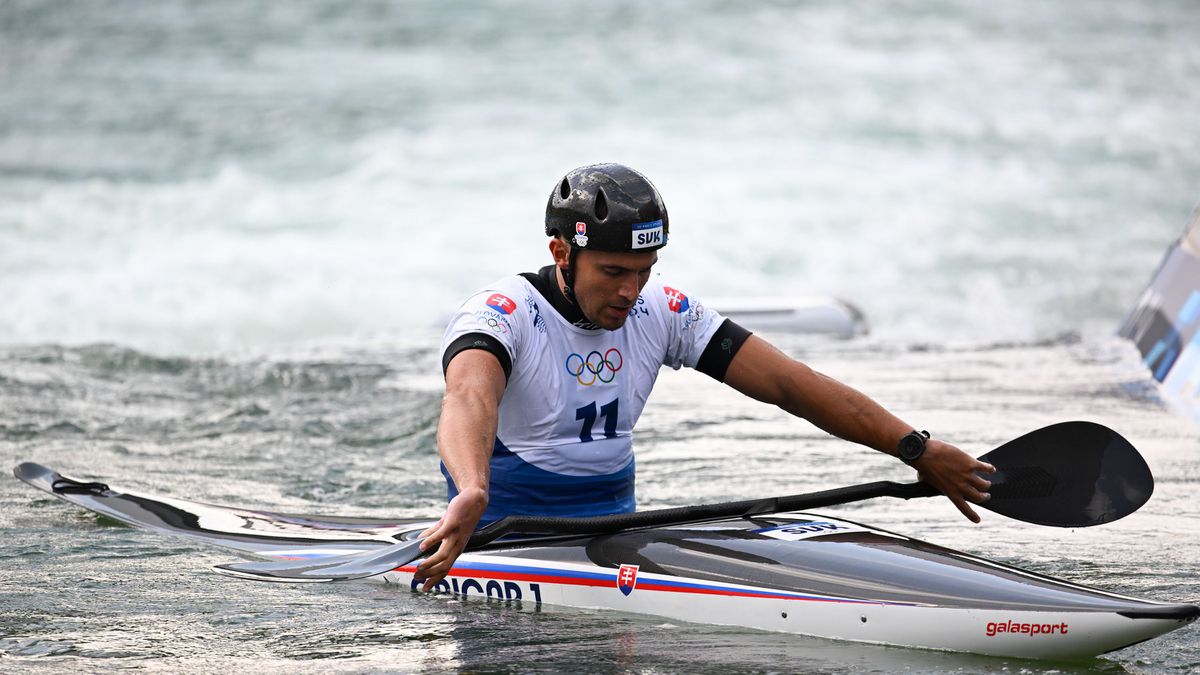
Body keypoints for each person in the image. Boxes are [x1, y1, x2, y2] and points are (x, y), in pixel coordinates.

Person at [416, 163, 994, 590]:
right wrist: (471, 487)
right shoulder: (502, 315)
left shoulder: (662, 311)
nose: (629, 292)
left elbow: (791, 384)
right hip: (504, 546)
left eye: (644, 272)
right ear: (561, 252)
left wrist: (915, 448)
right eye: (614, 271)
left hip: (615, 536)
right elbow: (468, 396)